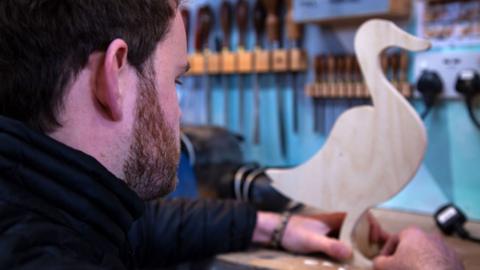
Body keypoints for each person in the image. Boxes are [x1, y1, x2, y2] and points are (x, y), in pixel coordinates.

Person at [0, 0, 463, 269]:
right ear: (115, 76)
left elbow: (139, 228)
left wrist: (274, 226)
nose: (179, 109)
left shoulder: (44, 204)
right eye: (176, 81)